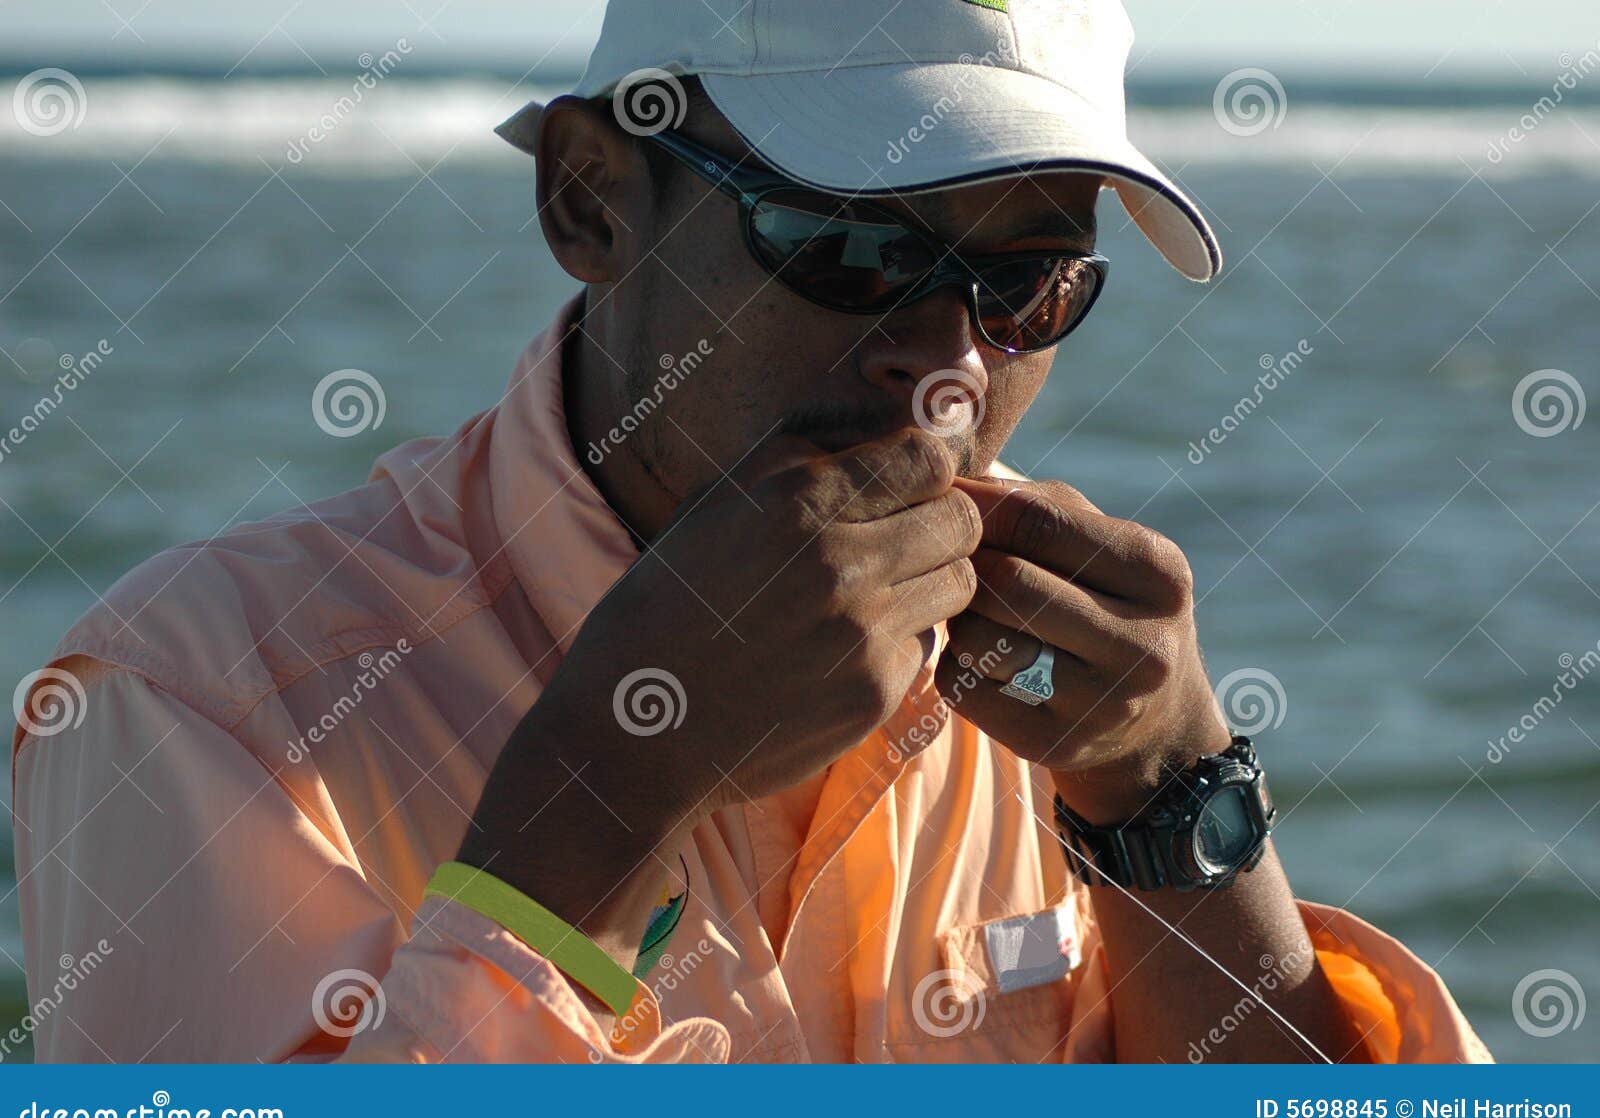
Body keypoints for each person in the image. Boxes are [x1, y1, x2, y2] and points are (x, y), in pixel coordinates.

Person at [11, 0, 1489, 1063]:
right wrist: (604, 788)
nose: (951, 363)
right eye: (850, 247)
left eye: (1030, 286)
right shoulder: (200, 695)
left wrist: (1176, 806)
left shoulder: (1060, 711)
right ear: (592, 198)